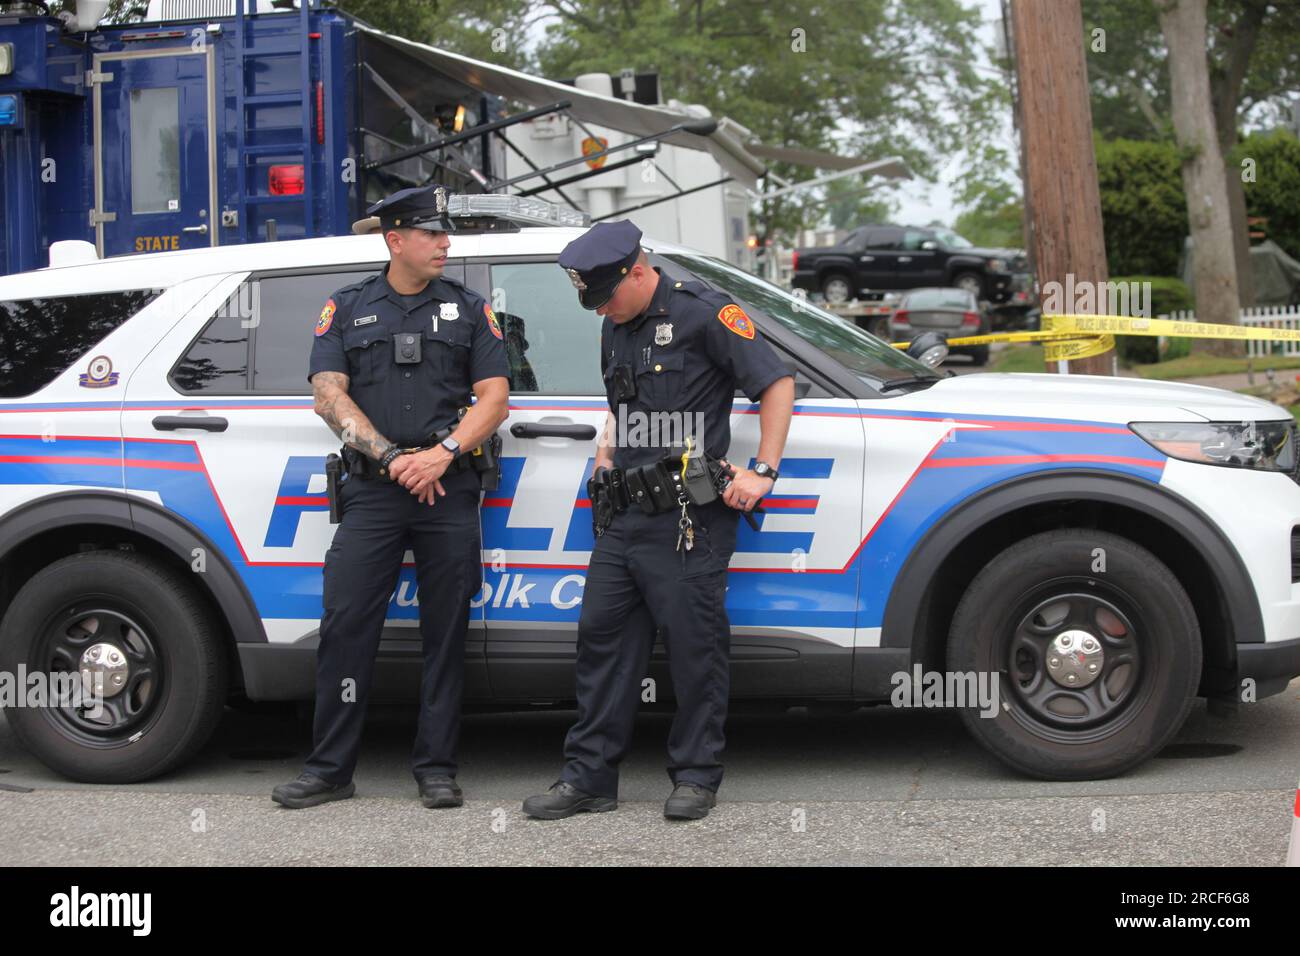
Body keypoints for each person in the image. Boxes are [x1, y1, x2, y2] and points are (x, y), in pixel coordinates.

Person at [522, 220, 794, 821]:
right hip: (625, 513)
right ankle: (589, 778)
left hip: (687, 514)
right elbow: (622, 406)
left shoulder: (705, 312)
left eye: (605, 296)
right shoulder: (615, 325)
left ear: (638, 271)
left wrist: (763, 471)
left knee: (694, 648)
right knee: (602, 643)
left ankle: (696, 776)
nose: (600, 311)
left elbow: (775, 384)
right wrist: (602, 459)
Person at [272, 185, 510, 810]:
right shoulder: (347, 308)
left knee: (446, 631)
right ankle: (329, 769)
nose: (444, 243)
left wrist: (443, 454)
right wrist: (393, 458)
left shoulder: (469, 309)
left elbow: (495, 398)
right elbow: (328, 394)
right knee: (347, 626)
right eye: (432, 233)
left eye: (444, 233)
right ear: (395, 239)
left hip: (449, 488)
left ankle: (436, 766)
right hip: (374, 492)